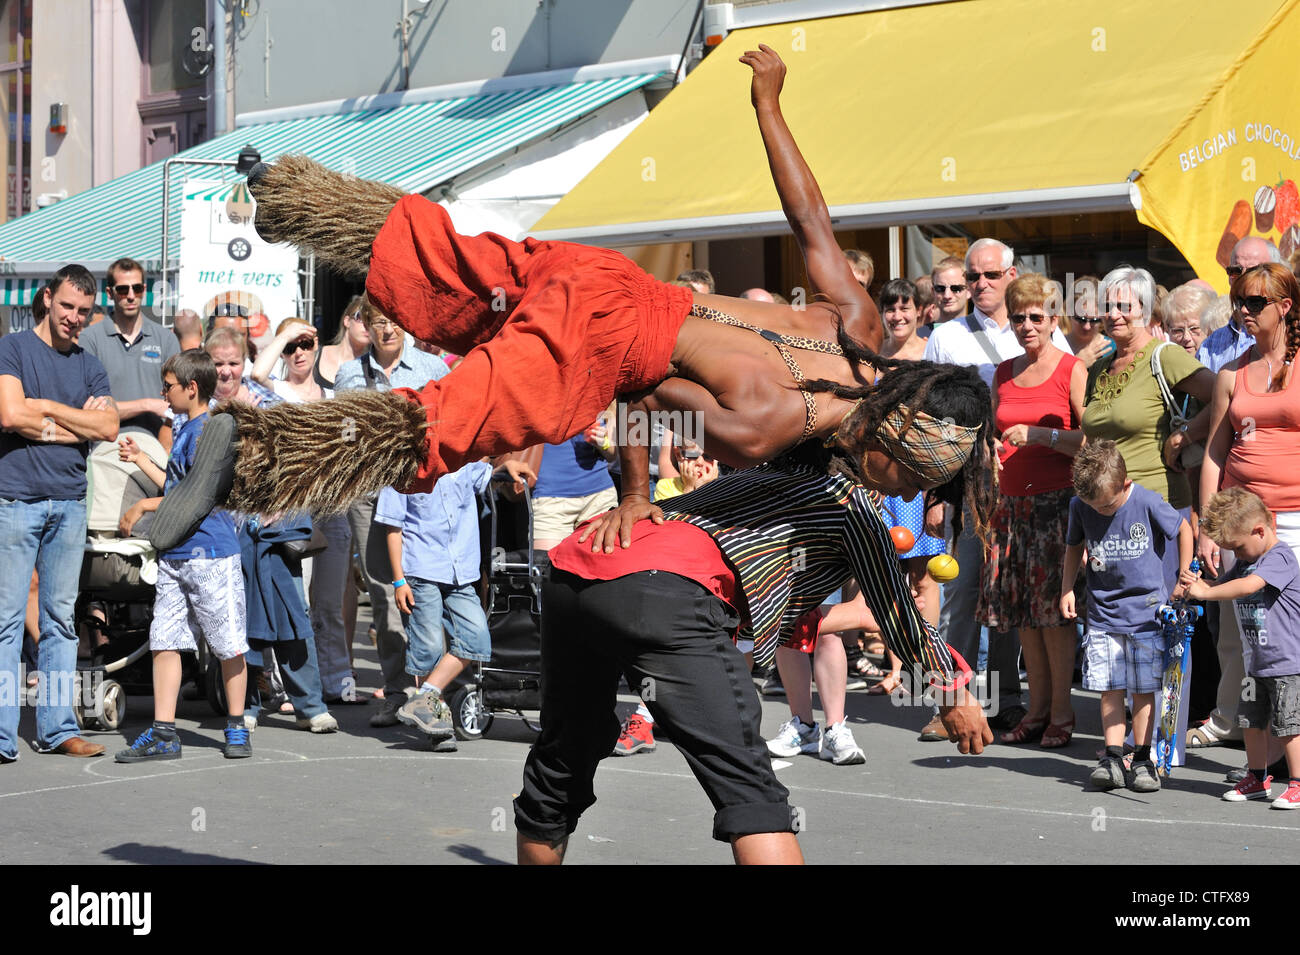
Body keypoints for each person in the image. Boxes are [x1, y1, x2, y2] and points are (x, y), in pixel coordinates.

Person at [146, 45, 883, 551]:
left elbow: (810, 217)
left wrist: (767, 105)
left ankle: (286, 193)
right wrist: (634, 495)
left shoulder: (859, 326)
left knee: (441, 256)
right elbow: (640, 401)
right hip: (600, 338)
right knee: (448, 421)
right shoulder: (765, 432)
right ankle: (250, 452)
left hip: (602, 276)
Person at [515, 359, 997, 865]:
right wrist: (954, 692)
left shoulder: (769, 457)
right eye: (914, 474)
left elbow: (642, 395)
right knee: (751, 795)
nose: (913, 493)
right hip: (665, 593)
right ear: (887, 441)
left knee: (561, 763)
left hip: (577, 567)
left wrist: (635, 494)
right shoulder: (853, 510)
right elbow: (903, 621)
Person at [0, 264, 119, 762]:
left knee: (60, 622)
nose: (73, 318)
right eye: (67, 306)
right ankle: (3, 735)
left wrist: (45, 407)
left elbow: (109, 426)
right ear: (48, 298)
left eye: (84, 312)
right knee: (6, 621)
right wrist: (78, 423)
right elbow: (9, 414)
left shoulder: (89, 365)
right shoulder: (13, 347)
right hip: (16, 498)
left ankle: (56, 728)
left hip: (70, 504)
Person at [115, 349, 251, 761]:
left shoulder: (212, 430)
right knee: (165, 641)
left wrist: (142, 507)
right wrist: (142, 459)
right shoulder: (184, 425)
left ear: (192, 388)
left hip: (211, 554)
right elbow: (176, 488)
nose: (164, 392)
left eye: (169, 386)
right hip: (177, 554)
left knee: (228, 645)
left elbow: (193, 496)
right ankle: (164, 732)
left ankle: (236, 727)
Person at [1195, 263, 1300, 757]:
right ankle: (1265, 752)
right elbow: (1216, 454)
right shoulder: (1230, 374)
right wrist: (1207, 529)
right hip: (1242, 526)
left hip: (1294, 521)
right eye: (1240, 300)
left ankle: (1291, 744)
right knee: (1249, 638)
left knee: (1293, 638)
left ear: (1284, 306)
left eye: (1256, 302)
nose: (1244, 310)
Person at [979, 274, 1087, 747]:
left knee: (1055, 617)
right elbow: (989, 433)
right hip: (1009, 507)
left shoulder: (1072, 369)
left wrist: (1040, 435)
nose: (1026, 325)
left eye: (1036, 317)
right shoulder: (1003, 372)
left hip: (1056, 505)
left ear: (1053, 320)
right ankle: (1038, 709)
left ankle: (1062, 713)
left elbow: (1093, 443)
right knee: (1024, 614)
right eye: (1018, 317)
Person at [336, 295, 450, 726]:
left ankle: (436, 689)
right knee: (385, 592)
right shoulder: (349, 374)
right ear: (365, 325)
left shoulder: (432, 369)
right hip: (370, 493)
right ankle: (398, 690)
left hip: (423, 493)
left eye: (395, 320)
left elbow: (449, 424)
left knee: (434, 587)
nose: (387, 330)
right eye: (378, 322)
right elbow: (343, 436)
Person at [1061, 441, 1193, 793]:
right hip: (1103, 614)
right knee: (1110, 688)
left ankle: (1144, 758)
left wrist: (1184, 574)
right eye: (1093, 506)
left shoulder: (1146, 500)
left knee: (1144, 689)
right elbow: (1074, 546)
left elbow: (1183, 529)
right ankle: (1113, 756)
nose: (1100, 511)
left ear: (1125, 483)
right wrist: (1067, 588)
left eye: (1106, 504)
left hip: (1146, 613)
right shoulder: (1080, 505)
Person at [376, 458, 532, 745]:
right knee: (430, 647)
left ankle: (423, 699)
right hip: (421, 570)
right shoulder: (403, 468)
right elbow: (393, 529)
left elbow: (488, 476)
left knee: (477, 638)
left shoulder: (464, 464)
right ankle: (434, 724)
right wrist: (399, 581)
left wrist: (504, 468)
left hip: (461, 572)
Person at [1181, 488, 1300, 808]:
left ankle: (1298, 783)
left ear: (1260, 530)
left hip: (1286, 664)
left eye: (1239, 547)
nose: (1239, 554)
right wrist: (1198, 587)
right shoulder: (1247, 561)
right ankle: (1258, 778)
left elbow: (1249, 586)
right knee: (1250, 722)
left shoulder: (1280, 557)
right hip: (1255, 664)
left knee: (1289, 726)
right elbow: (1224, 585)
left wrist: (1207, 593)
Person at [78, 258, 179, 446]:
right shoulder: (91, 339)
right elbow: (88, 408)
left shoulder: (165, 339)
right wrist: (146, 405)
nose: (131, 296)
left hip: (156, 450)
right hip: (106, 451)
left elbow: (179, 403)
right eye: (123, 290)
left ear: (145, 290)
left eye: (137, 288)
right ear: (110, 293)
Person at [250, 317, 329, 403]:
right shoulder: (277, 389)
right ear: (280, 353)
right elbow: (257, 375)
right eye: (289, 348)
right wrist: (285, 336)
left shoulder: (331, 395)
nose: (298, 353)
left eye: (305, 344)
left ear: (315, 344)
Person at [314, 295, 370, 390]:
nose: (366, 325)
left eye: (371, 320)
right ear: (347, 321)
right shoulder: (315, 354)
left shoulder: (374, 367)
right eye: (360, 317)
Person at [1063, 275, 1112, 370]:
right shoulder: (1056, 346)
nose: (1087, 327)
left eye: (1094, 320)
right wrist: (1077, 365)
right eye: (1080, 319)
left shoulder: (1113, 348)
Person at [930, 256, 969, 325]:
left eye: (956, 289)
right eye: (940, 288)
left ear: (969, 291)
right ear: (933, 292)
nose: (947, 295)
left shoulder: (984, 332)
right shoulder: (920, 335)